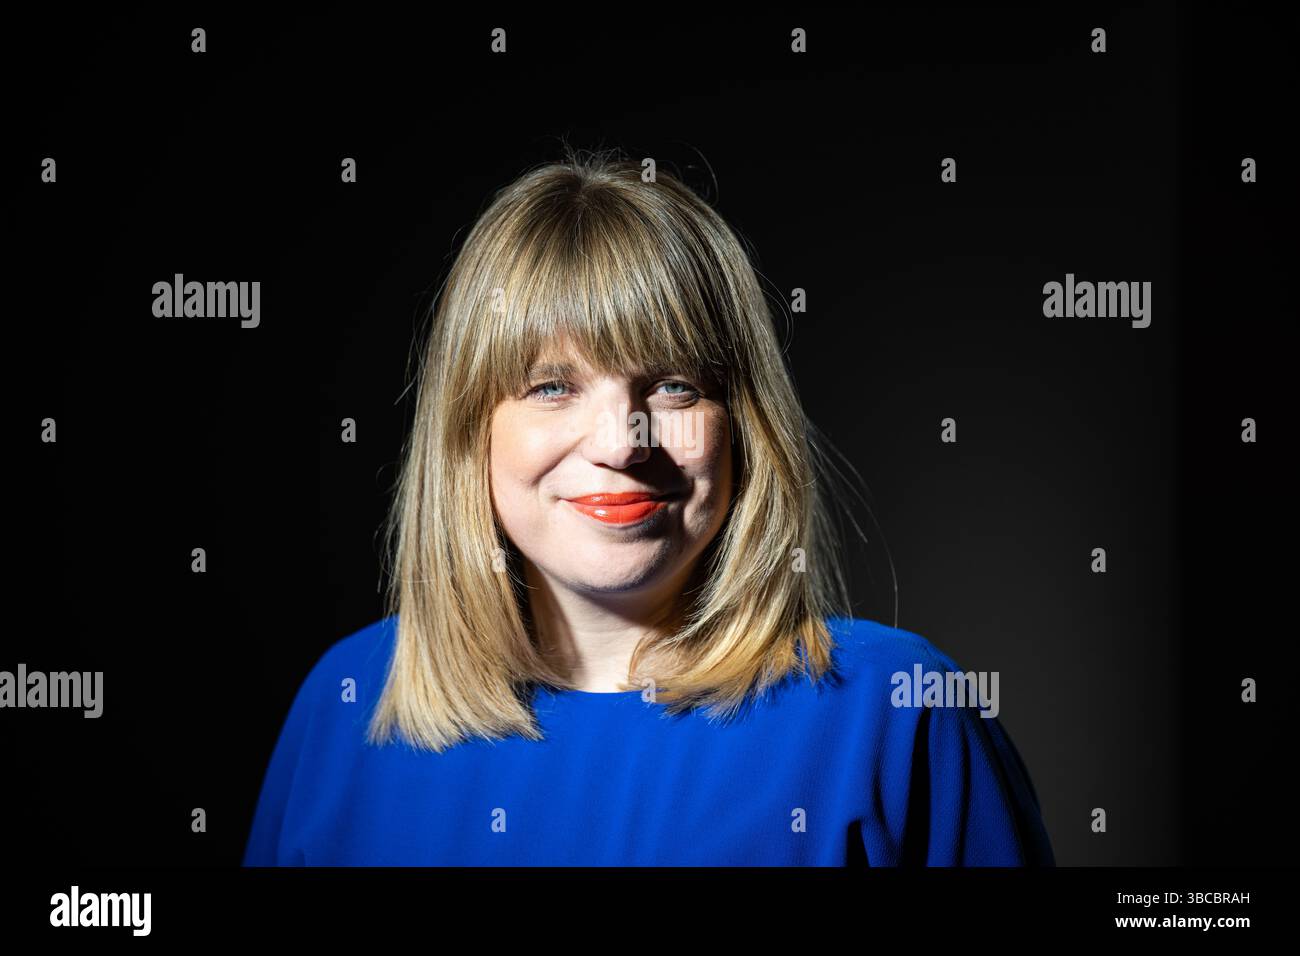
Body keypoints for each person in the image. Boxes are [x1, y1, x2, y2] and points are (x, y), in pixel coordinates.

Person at [242, 148, 1055, 866]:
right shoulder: (347, 705)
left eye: (673, 385)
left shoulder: (896, 713)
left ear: (745, 425)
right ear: (469, 432)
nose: (622, 442)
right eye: (552, 386)